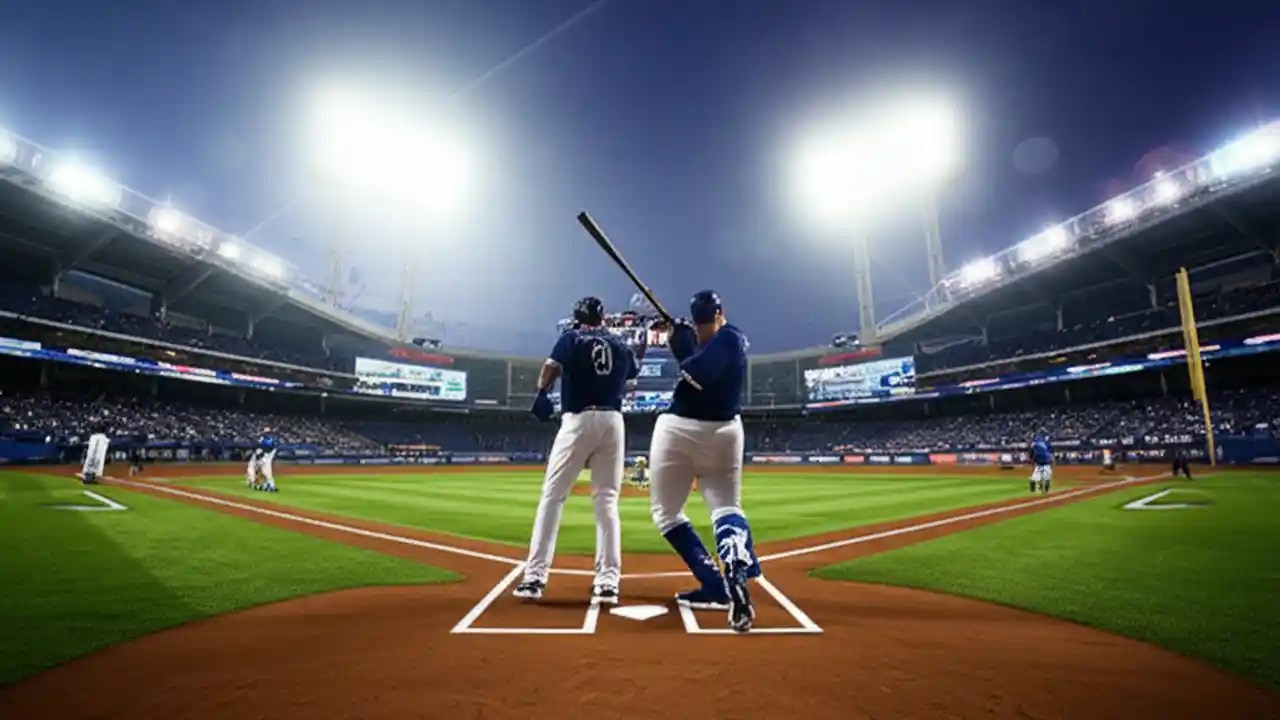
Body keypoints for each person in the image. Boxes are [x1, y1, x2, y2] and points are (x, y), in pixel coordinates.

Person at [513, 296, 643, 606]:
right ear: (601, 318)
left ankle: (535, 577)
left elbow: (550, 366)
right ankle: (608, 583)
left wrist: (542, 392)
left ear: (578, 317)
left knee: (553, 496)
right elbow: (631, 374)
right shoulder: (619, 343)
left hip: (578, 419)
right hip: (613, 421)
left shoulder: (571, 337)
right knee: (607, 502)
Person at [649, 290, 759, 633]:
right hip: (725, 433)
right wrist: (683, 341)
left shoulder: (731, 339)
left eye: (701, 325)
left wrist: (681, 346)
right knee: (727, 508)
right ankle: (734, 578)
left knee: (666, 514)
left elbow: (699, 373)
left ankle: (714, 583)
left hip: (679, 430)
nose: (702, 330)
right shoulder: (726, 337)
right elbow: (702, 359)